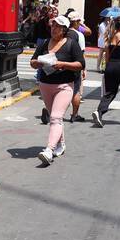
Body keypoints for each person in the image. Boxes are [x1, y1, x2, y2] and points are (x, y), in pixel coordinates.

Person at [30, 14, 85, 166]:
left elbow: (81, 64)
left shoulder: (71, 44)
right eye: (52, 26)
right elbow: (33, 61)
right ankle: (60, 144)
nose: (53, 29)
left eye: (57, 26)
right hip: (45, 84)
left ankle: (49, 150)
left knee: (54, 117)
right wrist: (38, 63)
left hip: (65, 85)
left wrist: (62, 64)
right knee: (56, 119)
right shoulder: (45, 43)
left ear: (64, 29)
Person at [93, 15, 120, 126]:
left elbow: (107, 57)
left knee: (109, 92)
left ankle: (100, 111)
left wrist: (108, 67)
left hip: (111, 67)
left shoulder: (110, 38)